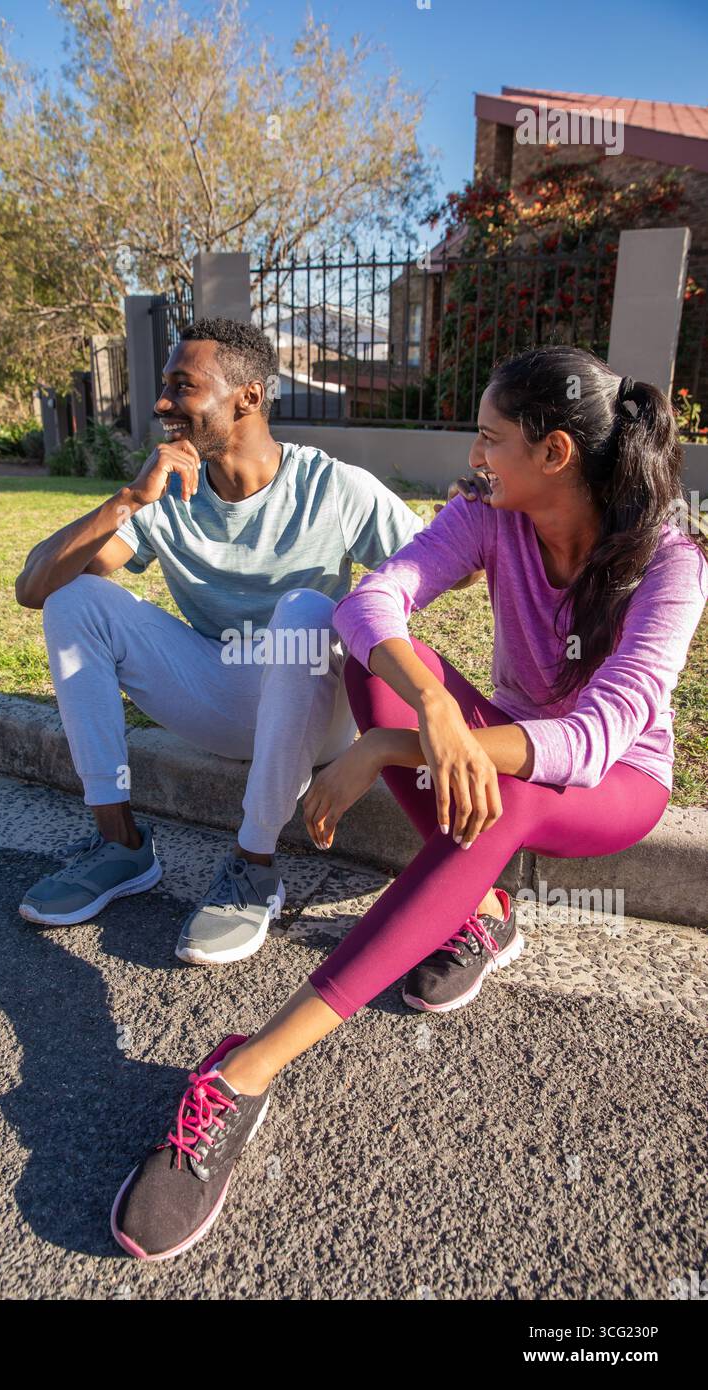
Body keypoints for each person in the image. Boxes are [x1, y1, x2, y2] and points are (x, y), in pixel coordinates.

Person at [110, 345, 708, 1261]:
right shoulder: (488, 516)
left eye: (489, 439)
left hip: (611, 783)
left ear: (552, 453)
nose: (473, 458)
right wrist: (426, 708)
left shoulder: (671, 561)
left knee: (505, 800)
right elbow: (370, 606)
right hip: (498, 749)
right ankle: (484, 909)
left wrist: (397, 746)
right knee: (384, 668)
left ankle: (246, 1071)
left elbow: (596, 737)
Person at [14, 317, 426, 964]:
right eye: (165, 387)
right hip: (224, 697)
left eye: (183, 387)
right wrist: (127, 499)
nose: (161, 404)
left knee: (303, 611)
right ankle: (119, 844)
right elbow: (36, 588)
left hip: (319, 712)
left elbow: (437, 567)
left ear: (249, 398)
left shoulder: (333, 486)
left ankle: (253, 866)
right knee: (77, 599)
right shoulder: (166, 493)